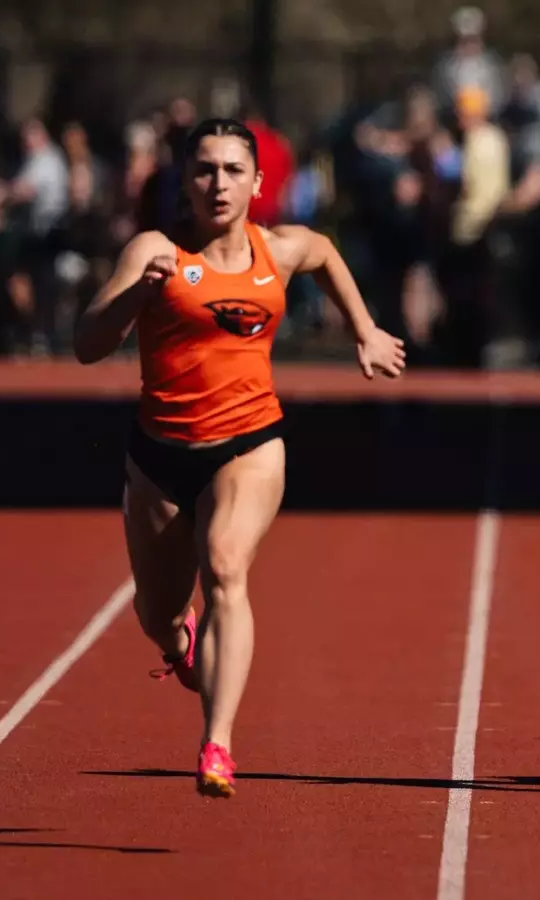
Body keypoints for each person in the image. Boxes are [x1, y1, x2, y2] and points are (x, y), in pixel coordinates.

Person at [73, 118, 407, 797]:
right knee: (156, 614)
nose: (217, 183)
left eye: (231, 170)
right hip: (161, 456)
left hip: (250, 443)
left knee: (226, 566)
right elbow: (87, 342)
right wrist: (139, 294)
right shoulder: (154, 249)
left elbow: (323, 252)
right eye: (203, 170)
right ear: (184, 182)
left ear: (258, 183)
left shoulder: (278, 250)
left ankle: (216, 743)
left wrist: (364, 331)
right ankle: (179, 643)